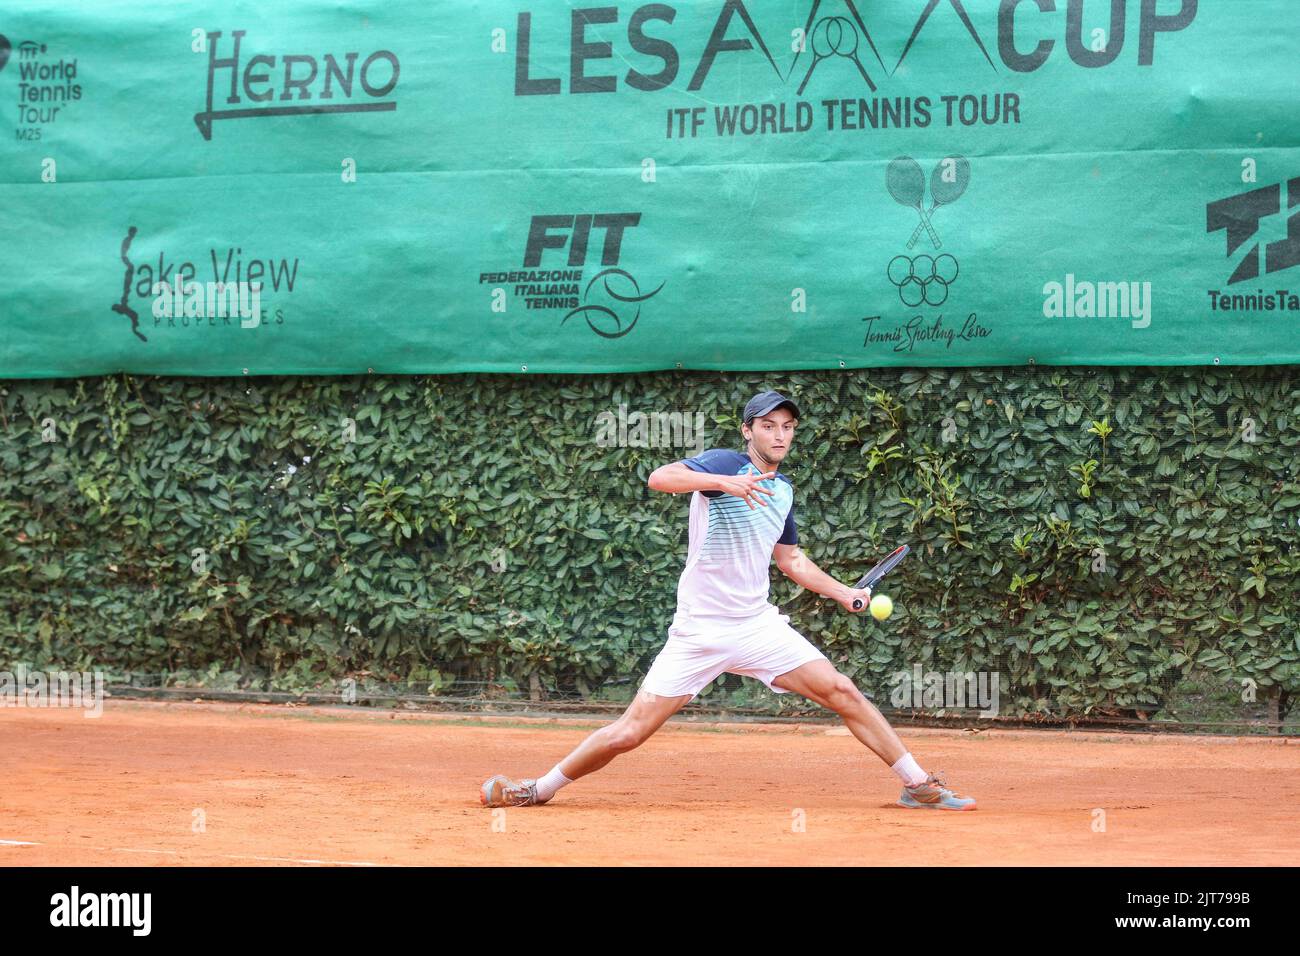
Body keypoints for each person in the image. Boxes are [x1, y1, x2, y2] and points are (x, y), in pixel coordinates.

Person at [480, 389, 976, 810]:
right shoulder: (722, 464)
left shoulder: (782, 491)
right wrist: (723, 482)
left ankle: (918, 785)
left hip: (756, 626)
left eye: (787, 427)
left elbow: (791, 561)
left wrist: (845, 592)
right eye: (768, 426)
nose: (779, 435)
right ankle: (536, 790)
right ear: (748, 431)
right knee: (629, 733)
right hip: (699, 630)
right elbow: (659, 478)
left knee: (841, 690)